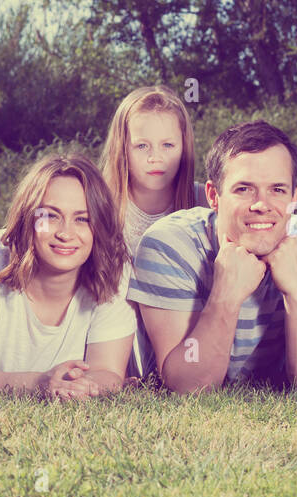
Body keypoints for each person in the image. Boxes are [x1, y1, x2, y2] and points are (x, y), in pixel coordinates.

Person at [129, 120, 297, 392]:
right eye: (244, 189)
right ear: (213, 195)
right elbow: (188, 386)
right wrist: (226, 295)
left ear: (294, 196)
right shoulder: (168, 245)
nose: (261, 205)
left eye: (277, 190)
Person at [0, 152, 136, 400]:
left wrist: (81, 388)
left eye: (82, 219)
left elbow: (107, 372)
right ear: (28, 218)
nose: (66, 233)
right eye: (50, 216)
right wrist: (38, 384)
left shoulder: (114, 269)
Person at [97, 85, 204, 380]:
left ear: (184, 147)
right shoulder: (98, 204)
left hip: (182, 335)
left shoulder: (205, 203)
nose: (155, 157)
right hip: (112, 337)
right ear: (123, 148)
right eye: (142, 146)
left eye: (168, 145)